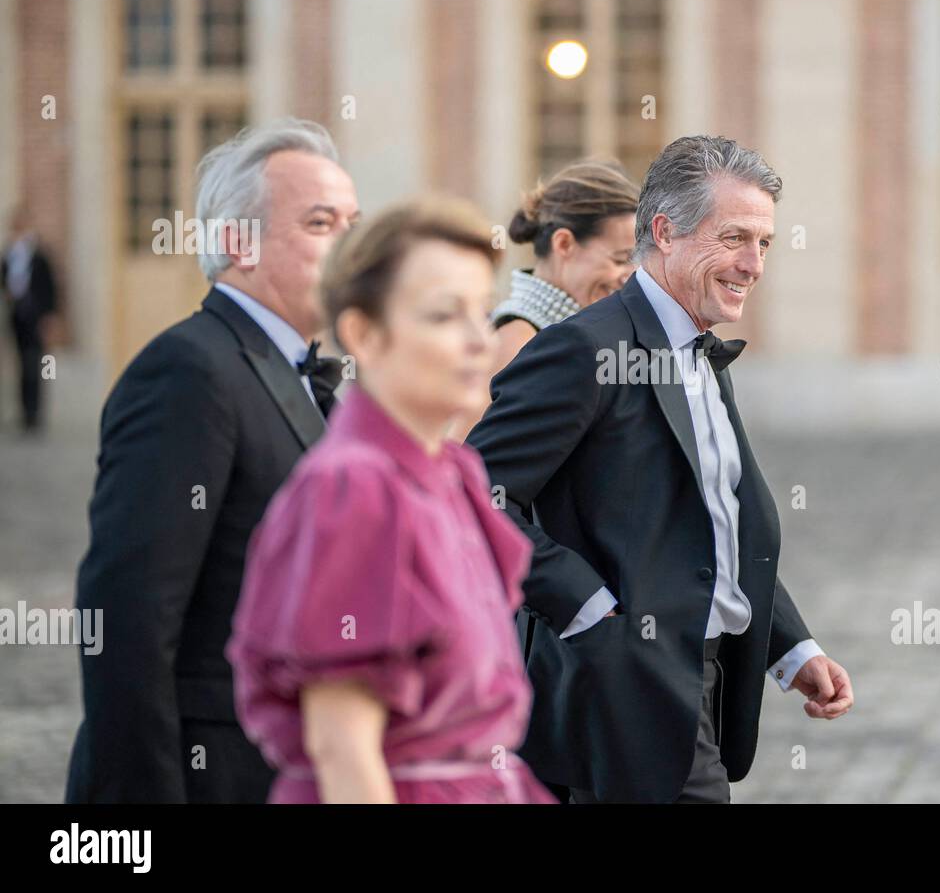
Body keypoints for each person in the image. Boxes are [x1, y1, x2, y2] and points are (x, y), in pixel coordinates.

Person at [467, 135, 854, 803]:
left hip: (704, 685)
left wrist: (792, 649)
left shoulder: (699, 347)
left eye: (764, 244)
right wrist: (589, 611)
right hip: (616, 697)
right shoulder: (581, 349)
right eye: (735, 237)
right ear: (665, 232)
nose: (753, 264)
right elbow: (472, 494)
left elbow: (717, 521)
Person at [65, 118, 360, 803]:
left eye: (355, 222)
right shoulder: (189, 371)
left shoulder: (305, 376)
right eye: (322, 224)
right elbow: (126, 617)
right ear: (238, 243)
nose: (353, 247)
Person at [226, 198, 555, 804]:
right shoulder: (354, 488)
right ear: (363, 334)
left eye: (481, 314)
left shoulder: (450, 475)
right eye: (442, 316)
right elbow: (343, 750)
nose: (478, 341)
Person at [450, 159, 638, 443]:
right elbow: (468, 456)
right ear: (563, 244)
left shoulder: (568, 330)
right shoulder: (516, 338)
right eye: (620, 259)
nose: (631, 276)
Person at [1, 206, 58, 432]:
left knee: (39, 365)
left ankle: (36, 412)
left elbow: (50, 287)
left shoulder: (40, 255)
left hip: (37, 317)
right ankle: (24, 412)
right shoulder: (9, 255)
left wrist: (50, 316)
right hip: (17, 316)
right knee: (21, 364)